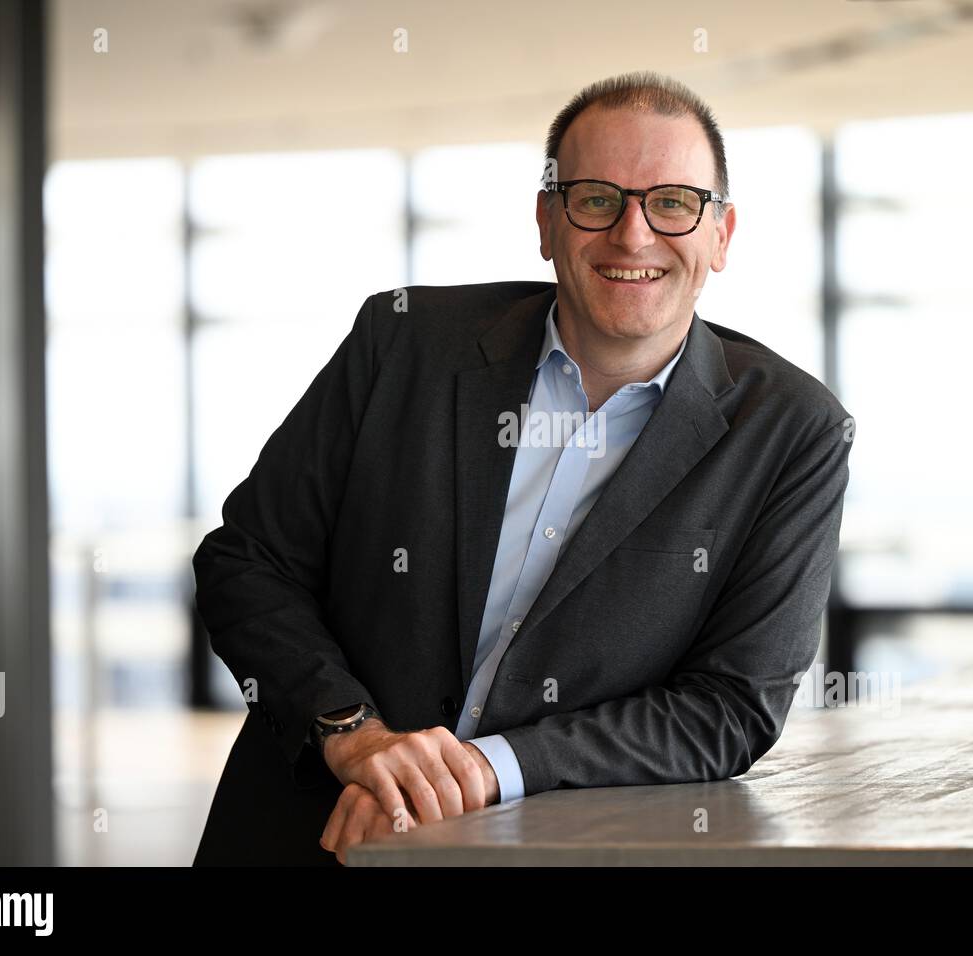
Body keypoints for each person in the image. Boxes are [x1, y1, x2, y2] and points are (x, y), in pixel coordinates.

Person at [192, 70, 854, 865]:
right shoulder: (401, 344)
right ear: (546, 220)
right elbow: (247, 562)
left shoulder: (792, 431)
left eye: (673, 201)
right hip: (305, 834)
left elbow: (729, 708)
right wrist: (354, 738)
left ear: (722, 233)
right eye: (596, 199)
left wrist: (481, 771)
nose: (634, 236)